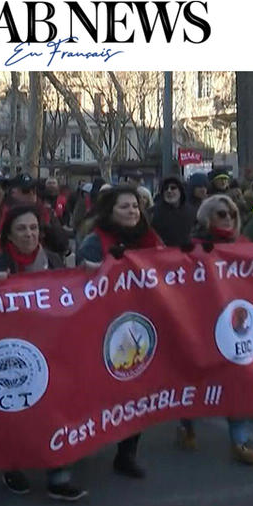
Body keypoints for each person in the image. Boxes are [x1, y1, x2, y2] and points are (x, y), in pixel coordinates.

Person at [0, 205, 88, 501]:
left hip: (50, 350)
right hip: (8, 352)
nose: (29, 234)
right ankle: (12, 464)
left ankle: (59, 475)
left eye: (34, 228)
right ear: (9, 235)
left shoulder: (54, 261)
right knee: (14, 413)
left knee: (57, 411)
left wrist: (89, 274)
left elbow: (73, 296)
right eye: (22, 229)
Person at [76, 186, 164, 479]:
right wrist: (106, 268)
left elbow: (167, 273)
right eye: (124, 207)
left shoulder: (152, 240)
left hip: (139, 325)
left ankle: (127, 454)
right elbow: (78, 281)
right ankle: (82, 440)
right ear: (110, 212)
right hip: (101, 326)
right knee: (95, 390)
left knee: (136, 389)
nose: (131, 211)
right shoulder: (94, 241)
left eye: (135, 207)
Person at [174, 194, 253, 464]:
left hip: (234, 326)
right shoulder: (190, 248)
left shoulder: (244, 246)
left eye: (232, 215)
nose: (228, 219)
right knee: (196, 382)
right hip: (200, 326)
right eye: (221, 214)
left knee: (238, 382)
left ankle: (240, 441)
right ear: (206, 218)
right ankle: (187, 425)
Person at [150, 176, 196, 247]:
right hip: (162, 254)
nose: (169, 191)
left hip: (186, 254)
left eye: (173, 188)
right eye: (165, 188)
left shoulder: (192, 211)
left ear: (181, 191)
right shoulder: (152, 213)